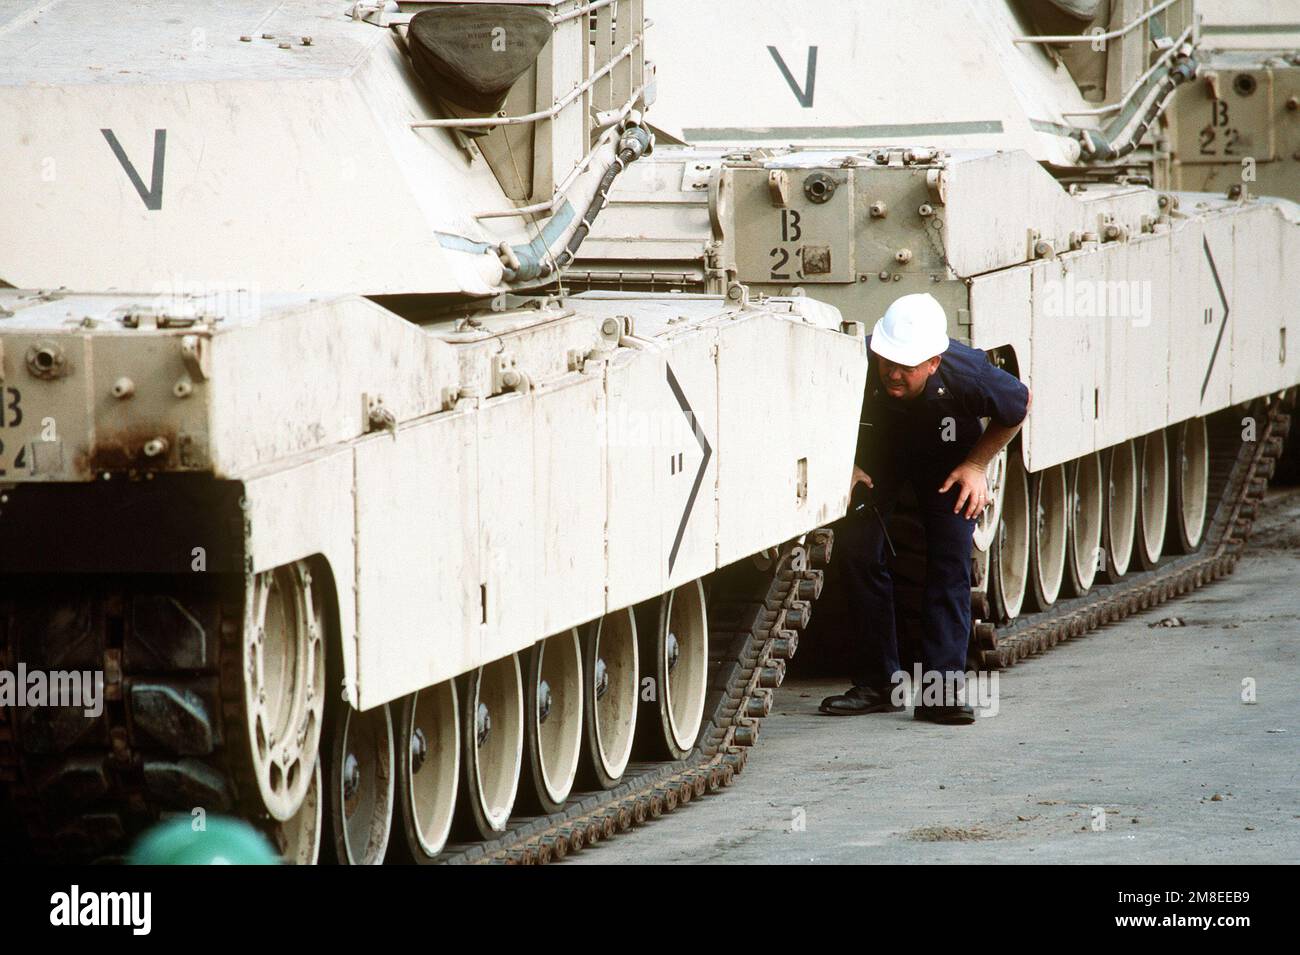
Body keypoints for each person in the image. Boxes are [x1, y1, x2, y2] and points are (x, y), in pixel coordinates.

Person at [820, 293, 1030, 725]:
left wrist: (976, 465)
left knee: (949, 564)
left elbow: (1019, 404)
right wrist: (845, 461)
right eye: (887, 363)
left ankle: (941, 692)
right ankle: (880, 683)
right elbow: (811, 403)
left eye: (906, 367)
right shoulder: (855, 360)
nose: (892, 375)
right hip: (877, 456)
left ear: (934, 362)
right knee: (858, 553)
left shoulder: (969, 373)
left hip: (947, 460)